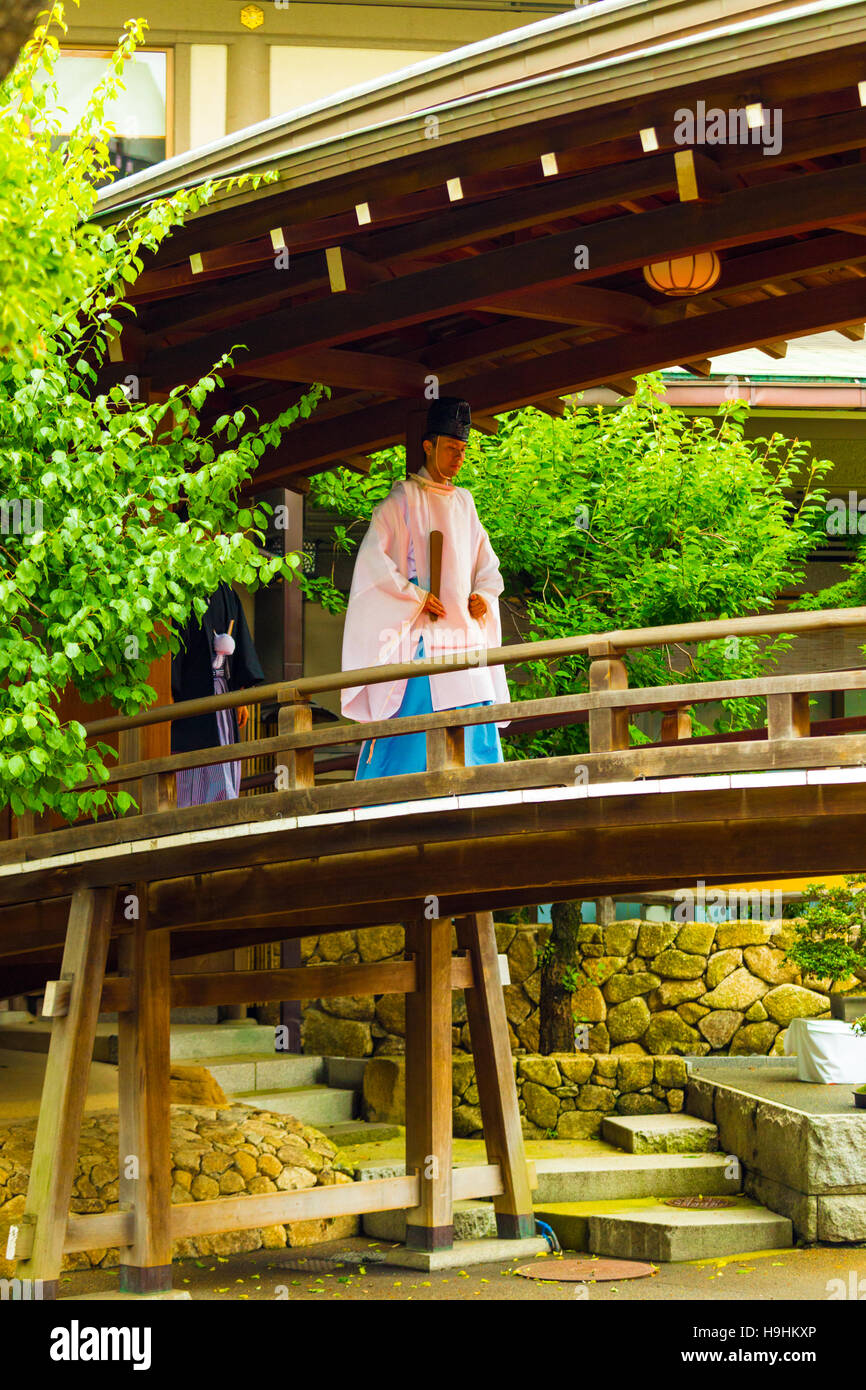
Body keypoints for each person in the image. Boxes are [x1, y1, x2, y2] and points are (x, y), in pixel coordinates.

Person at [341, 396, 509, 778]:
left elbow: (488, 568)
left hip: (464, 634)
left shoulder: (465, 503)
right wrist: (415, 598)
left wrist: (482, 597)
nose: (458, 458)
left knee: (475, 718)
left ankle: (482, 795)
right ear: (428, 446)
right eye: (451, 448)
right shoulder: (402, 499)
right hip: (422, 633)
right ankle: (393, 797)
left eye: (463, 450)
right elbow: (373, 566)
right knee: (413, 725)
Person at [171, 580, 265, 807]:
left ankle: (224, 805)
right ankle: (192, 807)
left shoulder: (225, 590)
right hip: (190, 694)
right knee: (193, 755)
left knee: (223, 754)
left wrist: (239, 698)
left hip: (224, 690)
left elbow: (240, 643)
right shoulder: (179, 589)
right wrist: (169, 696)